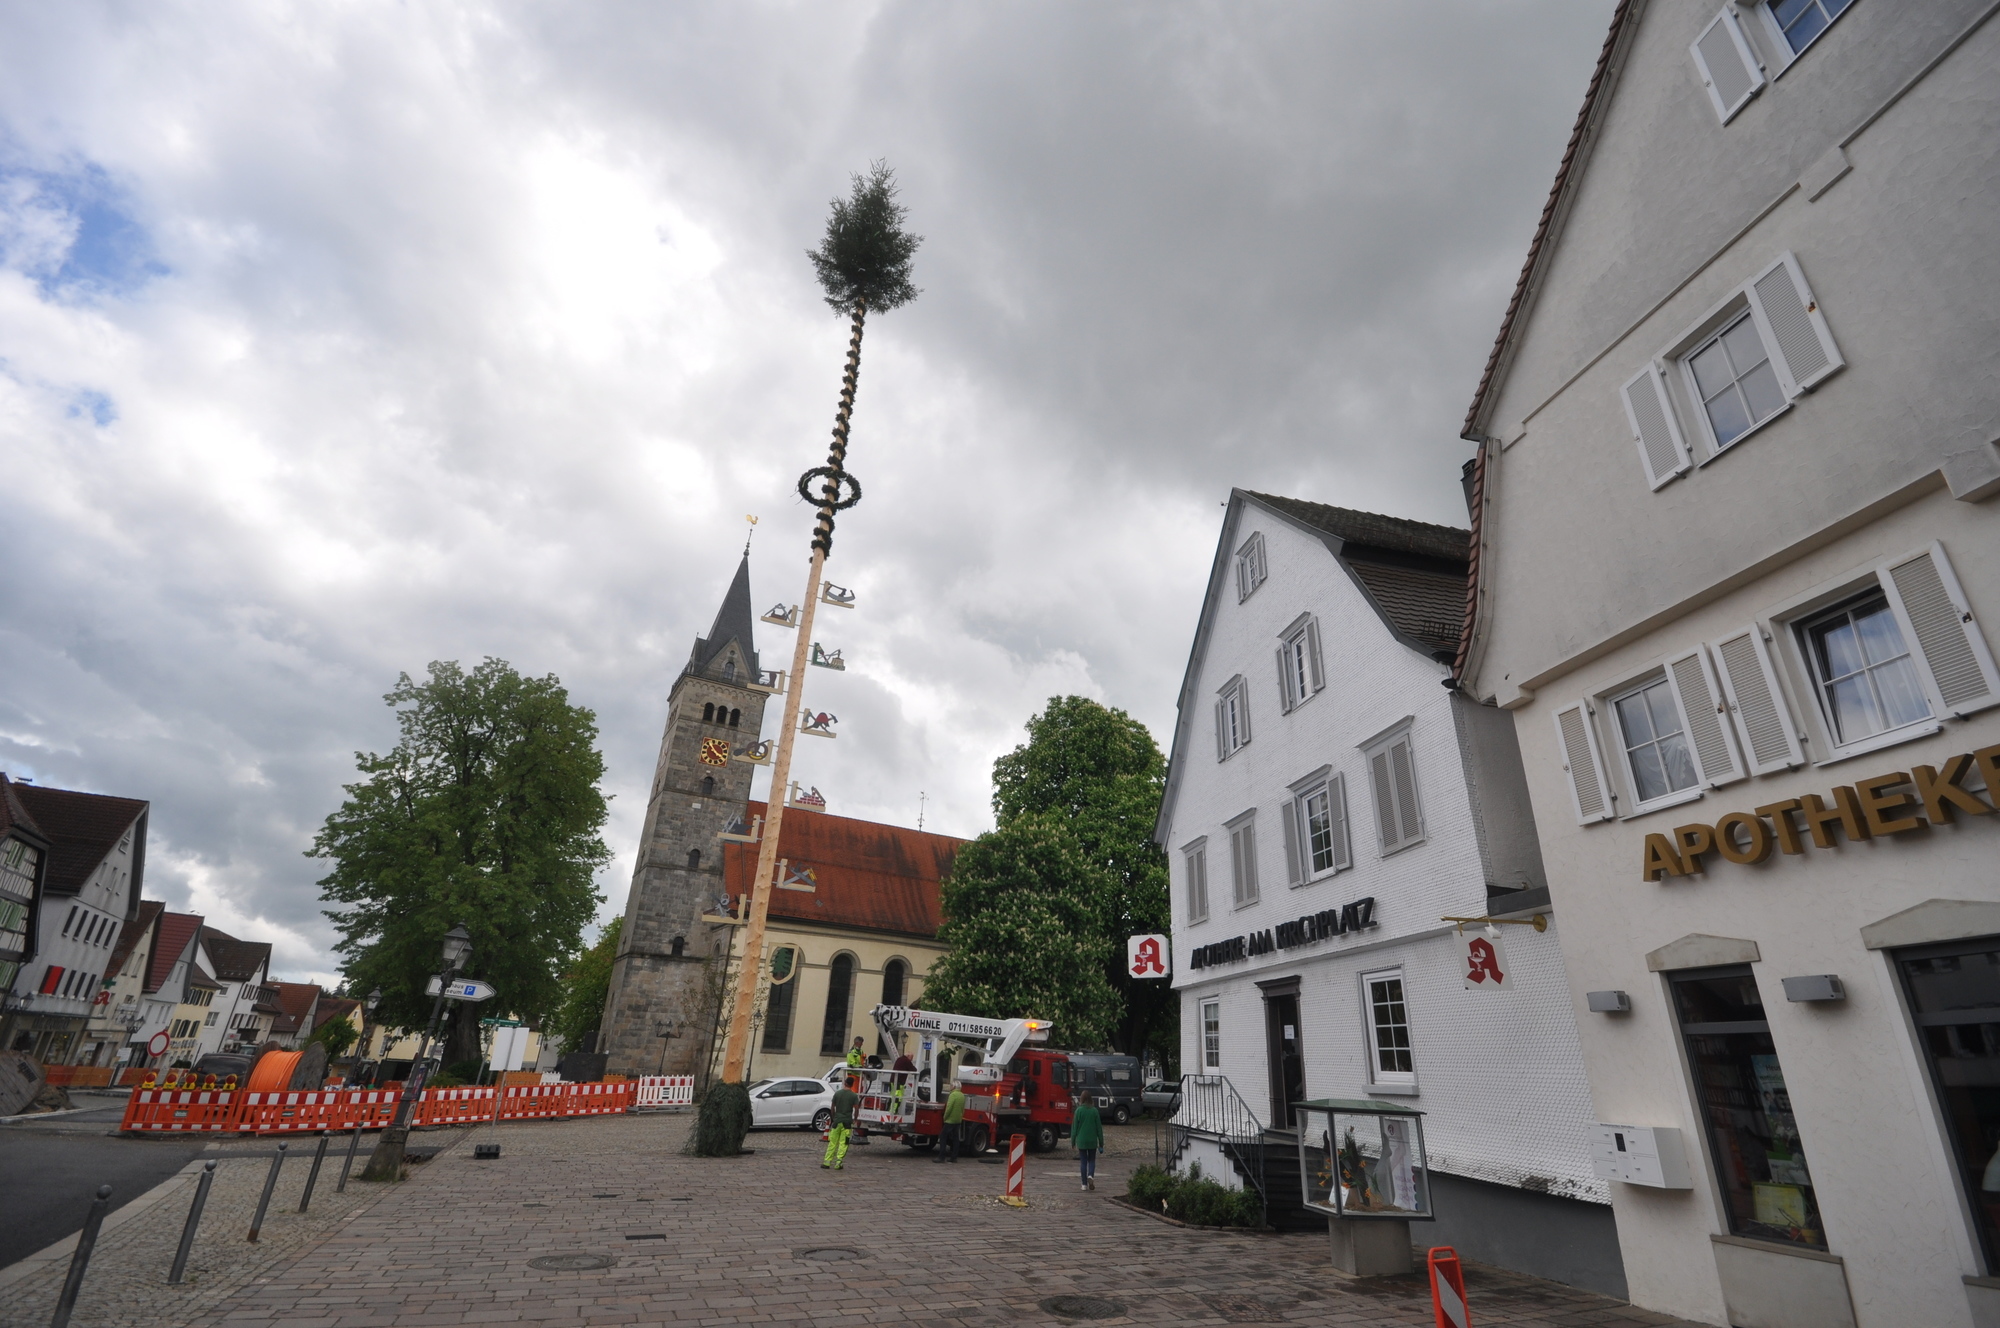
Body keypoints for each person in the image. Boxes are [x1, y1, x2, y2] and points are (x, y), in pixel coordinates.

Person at [823, 1076, 859, 1170]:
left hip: (837, 1121)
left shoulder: (837, 1094)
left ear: (845, 1083)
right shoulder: (853, 1096)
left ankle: (827, 1162)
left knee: (832, 1142)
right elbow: (856, 1108)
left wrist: (834, 1118)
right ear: (852, 1085)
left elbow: (832, 1107)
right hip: (847, 1123)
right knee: (844, 1143)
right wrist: (855, 1118)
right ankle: (838, 1162)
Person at [1072, 1091, 1104, 1191]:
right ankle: (1090, 1175)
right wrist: (1101, 1143)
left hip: (1081, 1140)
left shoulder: (1078, 1111)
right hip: (1092, 1140)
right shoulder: (1094, 1111)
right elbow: (1099, 1128)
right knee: (1092, 1160)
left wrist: (1073, 1141)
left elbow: (1074, 1128)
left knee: (1083, 1162)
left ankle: (1084, 1184)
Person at [936, 1081, 967, 1163]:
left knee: (943, 1136)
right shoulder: (962, 1095)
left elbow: (949, 1108)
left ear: (954, 1087)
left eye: (951, 1085)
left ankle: (941, 1157)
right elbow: (963, 1109)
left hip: (950, 1120)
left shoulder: (952, 1095)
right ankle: (954, 1157)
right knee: (956, 1138)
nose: (950, 1087)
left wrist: (945, 1117)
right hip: (958, 1120)